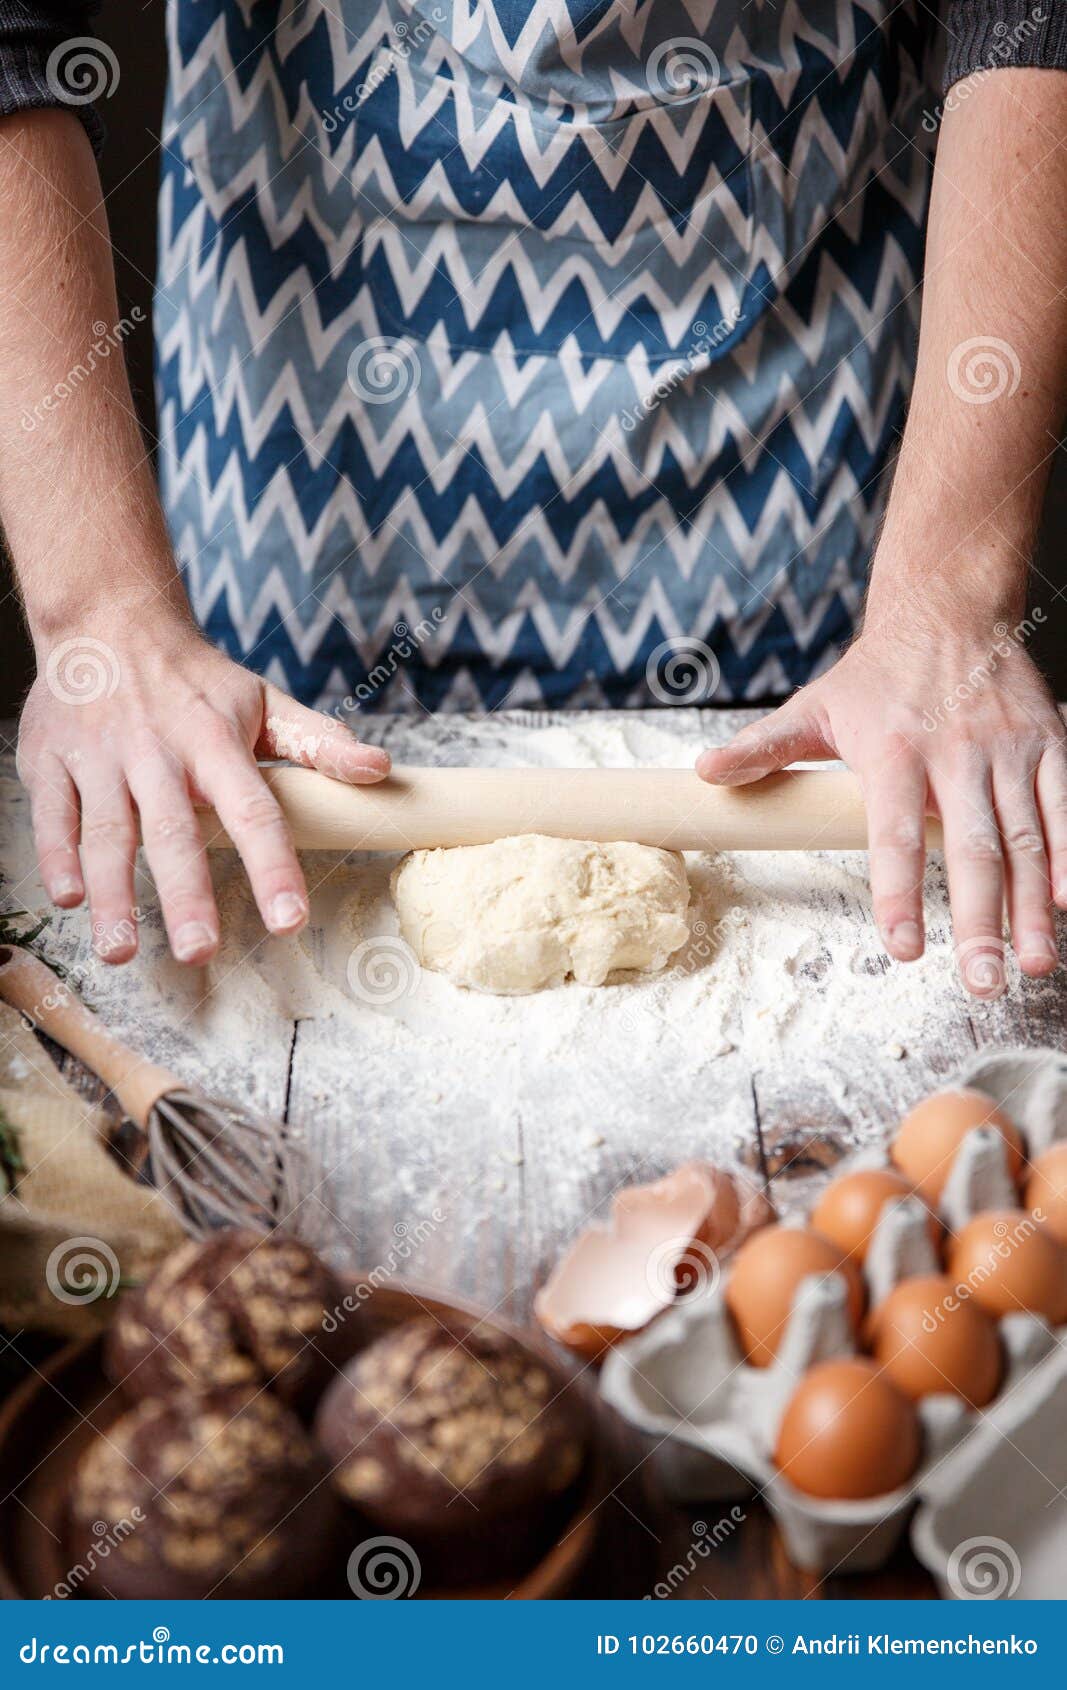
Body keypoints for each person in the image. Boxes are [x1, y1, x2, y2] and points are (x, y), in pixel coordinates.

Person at [2, 3, 1065, 997]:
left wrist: (946, 597)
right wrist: (97, 610)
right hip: (307, 461)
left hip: (784, 439)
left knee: (824, 905)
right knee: (270, 881)